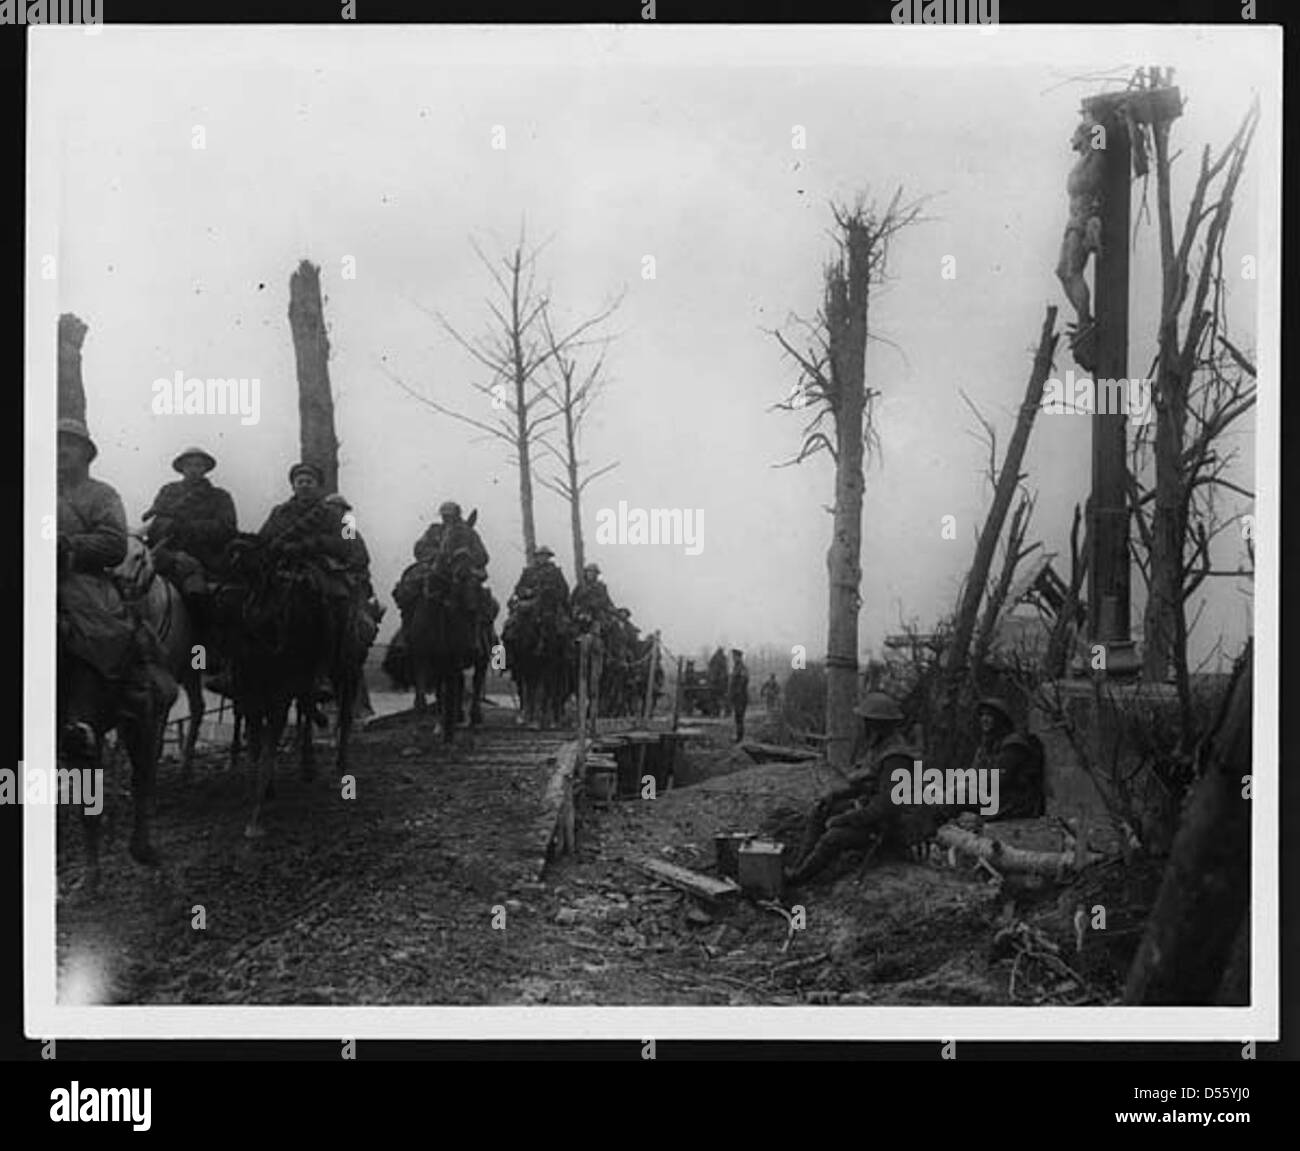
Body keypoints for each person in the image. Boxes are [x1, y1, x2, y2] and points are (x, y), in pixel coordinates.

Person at [57, 418, 173, 792]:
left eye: (69, 445)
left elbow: (113, 545)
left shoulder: (102, 495)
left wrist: (70, 546)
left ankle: (83, 720)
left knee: (94, 634)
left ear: (86, 455)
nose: (60, 452)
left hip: (82, 581)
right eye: (55, 444)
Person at [785, 691, 919, 886]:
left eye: (866, 721)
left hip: (887, 829)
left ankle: (800, 879)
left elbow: (886, 809)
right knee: (821, 810)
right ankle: (799, 865)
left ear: (875, 724)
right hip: (871, 817)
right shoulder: (880, 747)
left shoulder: (896, 759)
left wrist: (846, 819)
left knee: (833, 837)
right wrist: (835, 796)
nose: (863, 725)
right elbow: (866, 784)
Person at [142, 446, 238, 616]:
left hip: (203, 558)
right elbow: (154, 522)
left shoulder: (219, 496)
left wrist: (189, 528)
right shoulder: (168, 492)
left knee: (197, 597)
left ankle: (201, 640)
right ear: (182, 468)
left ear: (205, 469)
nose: (193, 469)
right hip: (165, 554)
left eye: (198, 465)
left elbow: (227, 528)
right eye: (189, 465)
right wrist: (167, 527)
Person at [1055, 114, 1106, 373]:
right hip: (1072, 220)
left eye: (1075, 134)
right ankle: (1084, 319)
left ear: (1085, 135)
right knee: (1061, 272)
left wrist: (1093, 118)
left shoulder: (1096, 157)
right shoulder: (1083, 161)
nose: (1071, 139)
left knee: (1073, 271)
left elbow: (1100, 137)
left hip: (1084, 220)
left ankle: (1084, 322)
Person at [969, 697, 1046, 820]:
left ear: (1000, 719)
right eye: (982, 715)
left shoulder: (1014, 745)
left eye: (989, 715)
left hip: (1014, 803)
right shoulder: (987, 745)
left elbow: (998, 780)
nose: (984, 719)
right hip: (996, 798)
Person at [729, 649, 750, 742]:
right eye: (733, 656)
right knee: (737, 717)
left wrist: (737, 692)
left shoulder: (741, 667)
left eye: (734, 656)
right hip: (737, 697)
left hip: (741, 697)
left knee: (740, 717)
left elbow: (744, 680)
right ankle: (738, 737)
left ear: (739, 657)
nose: (733, 658)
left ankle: (740, 738)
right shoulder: (736, 667)